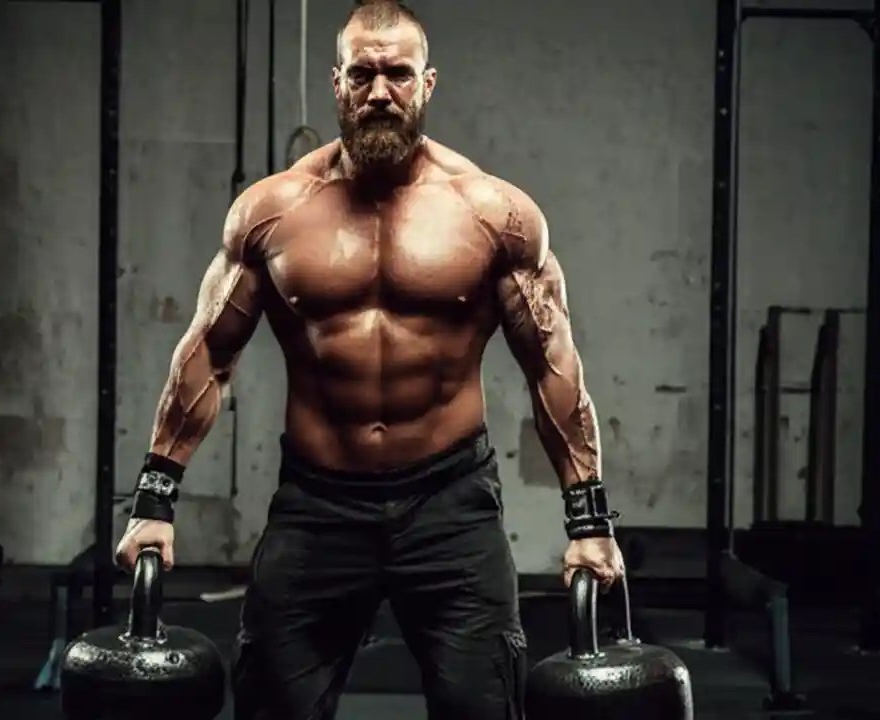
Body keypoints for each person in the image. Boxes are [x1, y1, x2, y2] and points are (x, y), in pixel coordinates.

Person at [115, 1, 625, 718]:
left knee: (484, 706)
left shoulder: (493, 215)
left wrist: (589, 521)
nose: (379, 91)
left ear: (428, 84)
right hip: (318, 506)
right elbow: (207, 355)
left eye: (398, 73)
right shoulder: (274, 213)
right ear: (337, 82)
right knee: (271, 706)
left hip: (451, 508)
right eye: (362, 73)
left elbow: (551, 366)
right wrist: (153, 503)